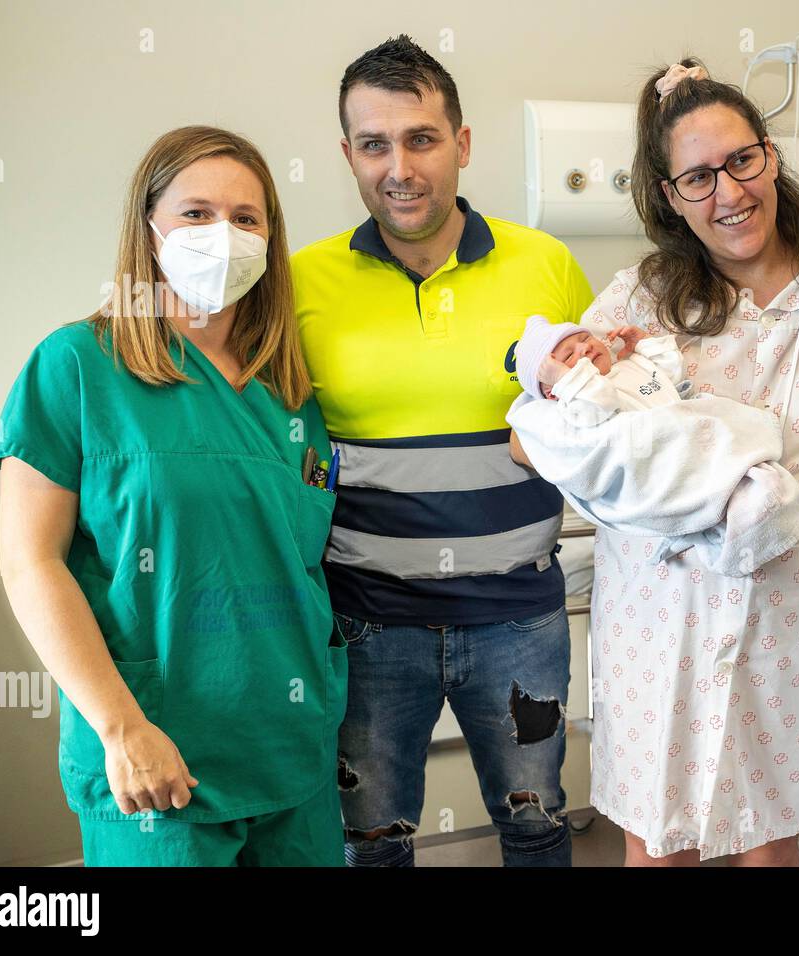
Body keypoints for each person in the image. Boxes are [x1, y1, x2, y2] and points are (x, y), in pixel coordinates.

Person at [0, 126, 346, 866]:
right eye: (197, 213)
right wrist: (121, 729)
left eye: (247, 219)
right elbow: (31, 566)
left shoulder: (293, 390)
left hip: (289, 749)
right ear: (148, 230)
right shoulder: (77, 367)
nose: (225, 234)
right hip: (157, 758)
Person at [562, 59, 799, 865]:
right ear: (669, 196)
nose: (729, 193)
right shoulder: (639, 299)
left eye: (743, 161)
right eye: (697, 177)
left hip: (796, 632)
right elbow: (538, 434)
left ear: (771, 155)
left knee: (770, 851)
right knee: (657, 849)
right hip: (661, 625)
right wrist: (597, 383)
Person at [291, 35, 592, 867]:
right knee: (370, 842)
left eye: (421, 138)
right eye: (375, 143)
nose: (401, 166)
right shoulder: (300, 283)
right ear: (348, 154)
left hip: (519, 618)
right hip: (368, 622)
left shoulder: (548, 266)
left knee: (536, 824)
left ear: (461, 143)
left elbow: (595, 420)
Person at [507, 315, 799, 581]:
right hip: (662, 464)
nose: (584, 348)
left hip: (695, 449)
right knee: (735, 506)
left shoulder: (626, 368)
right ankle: (723, 549)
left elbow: (669, 374)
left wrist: (646, 346)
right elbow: (599, 403)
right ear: (553, 390)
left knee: (769, 485)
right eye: (568, 356)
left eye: (585, 339)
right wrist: (566, 380)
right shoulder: (575, 402)